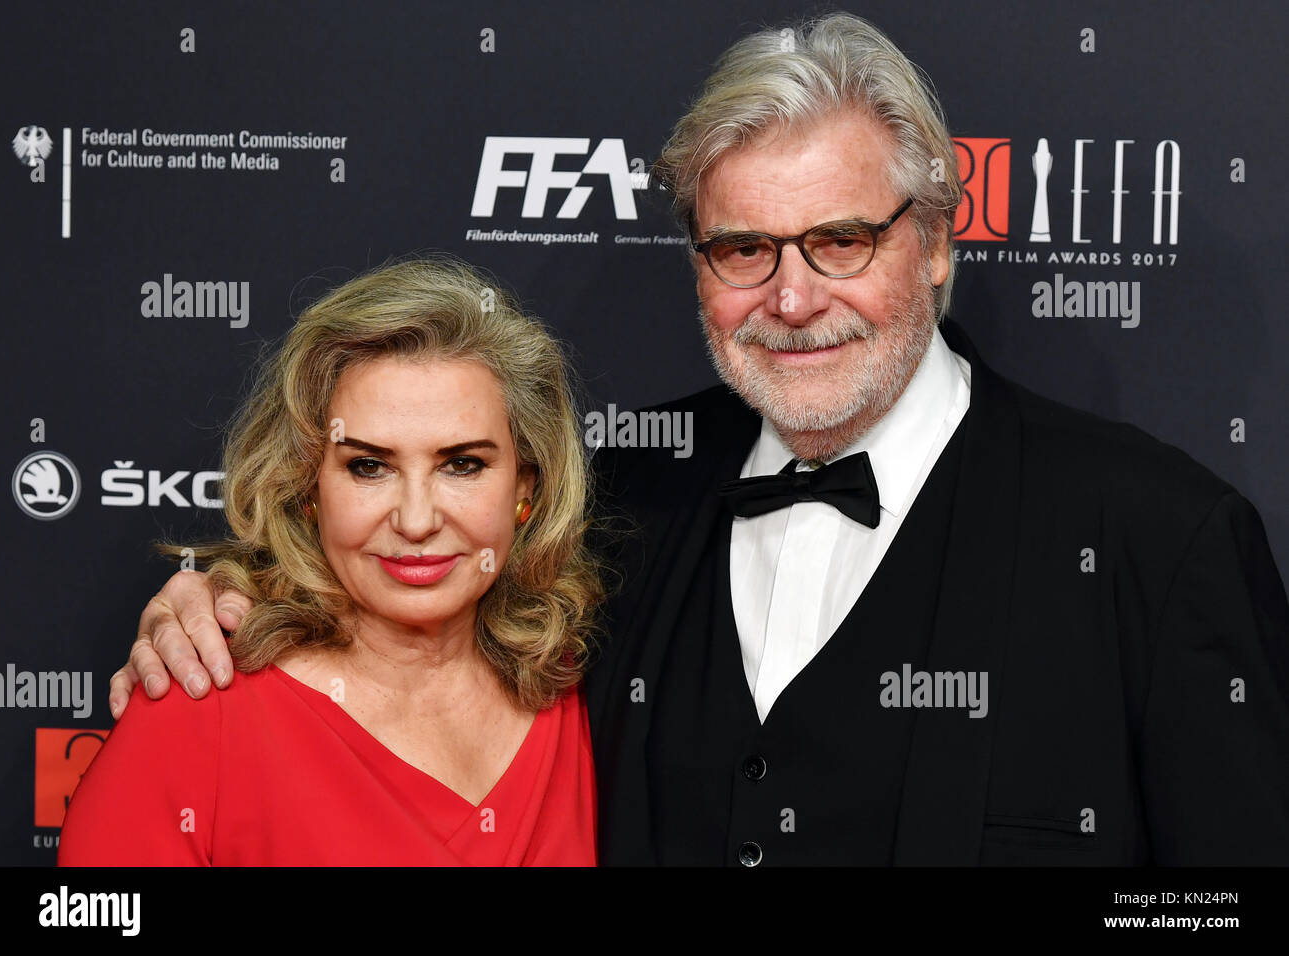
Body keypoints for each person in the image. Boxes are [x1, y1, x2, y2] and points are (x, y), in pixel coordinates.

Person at [109, 13, 1289, 865]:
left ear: (933, 242)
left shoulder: (1155, 537)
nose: (790, 296)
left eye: (839, 239)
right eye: (743, 249)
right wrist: (215, 601)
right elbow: (400, 599)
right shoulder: (615, 505)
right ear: (698, 266)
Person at [63, 257, 602, 865]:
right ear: (307, 484)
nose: (417, 520)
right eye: (368, 466)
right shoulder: (199, 703)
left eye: (463, 464)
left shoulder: (588, 692)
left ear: (525, 487)